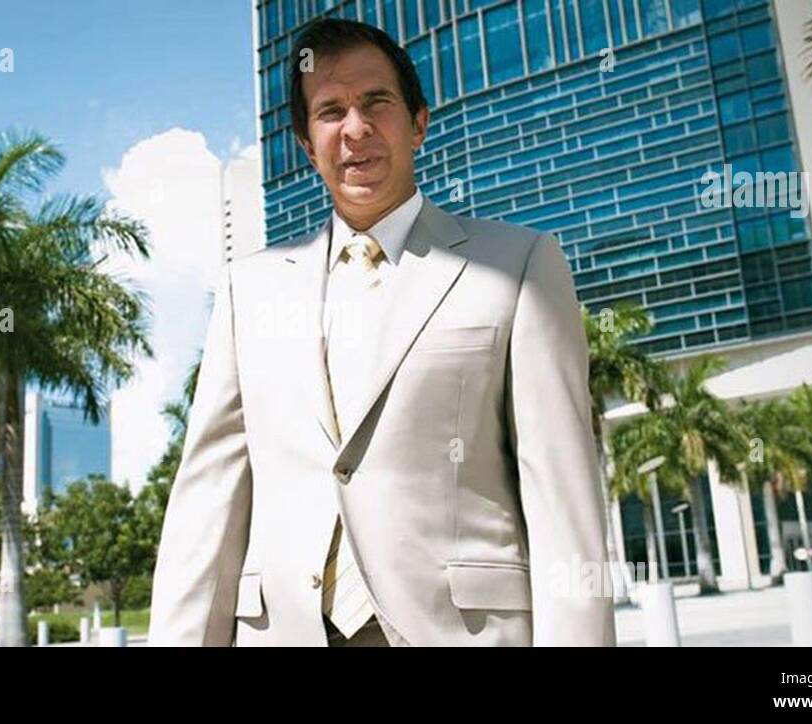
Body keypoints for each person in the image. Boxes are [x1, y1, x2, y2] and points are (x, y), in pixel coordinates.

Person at [148, 17, 615, 647]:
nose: (356, 129)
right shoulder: (247, 291)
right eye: (330, 111)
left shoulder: (520, 266)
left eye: (376, 103)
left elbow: (563, 503)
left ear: (418, 121)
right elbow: (208, 503)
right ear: (307, 144)